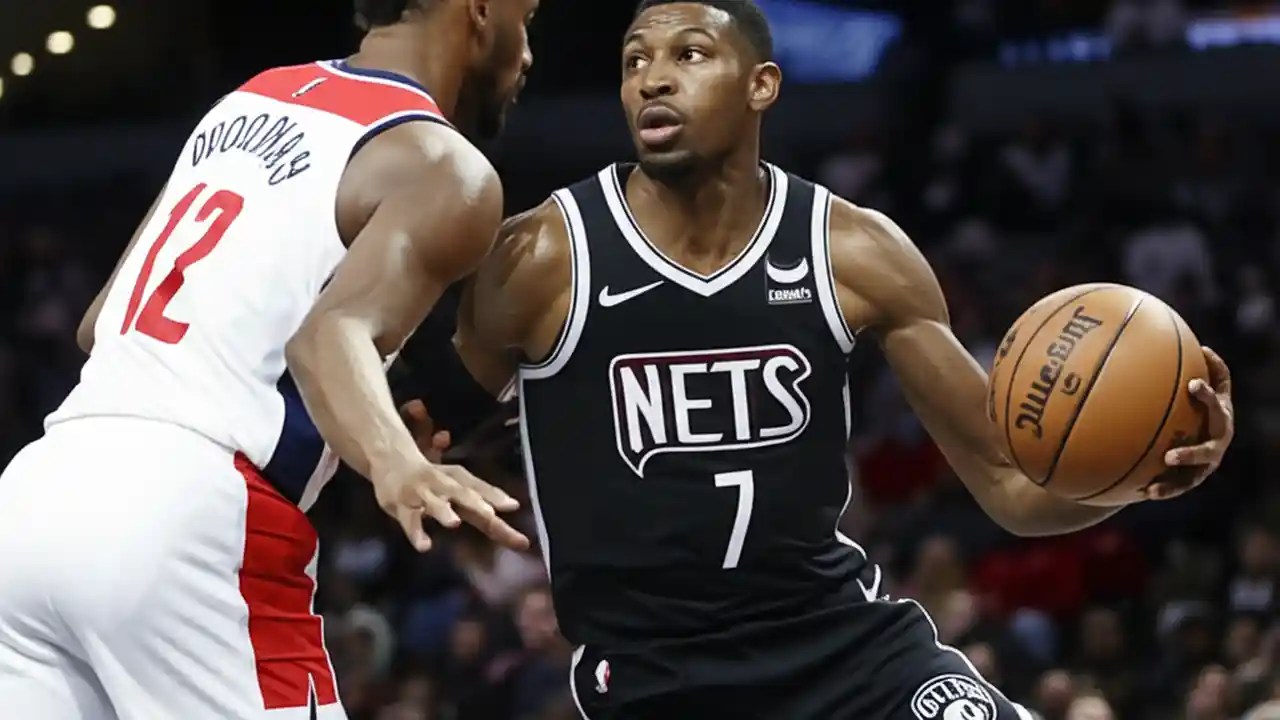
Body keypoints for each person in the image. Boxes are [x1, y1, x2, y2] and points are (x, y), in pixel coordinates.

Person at [449, 1, 1236, 718]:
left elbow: (1009, 485)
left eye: (689, 55)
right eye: (634, 61)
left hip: (850, 650)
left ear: (761, 86)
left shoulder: (855, 252)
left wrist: (1141, 476)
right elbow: (428, 427)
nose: (654, 78)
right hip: (662, 678)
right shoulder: (544, 255)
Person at [0, 0, 539, 717]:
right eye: (528, 16)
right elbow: (325, 339)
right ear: (477, 9)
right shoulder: (446, 168)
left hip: (40, 492)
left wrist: (358, 413)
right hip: (188, 519)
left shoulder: (248, 99)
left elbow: (100, 324)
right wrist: (396, 462)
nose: (530, 50)